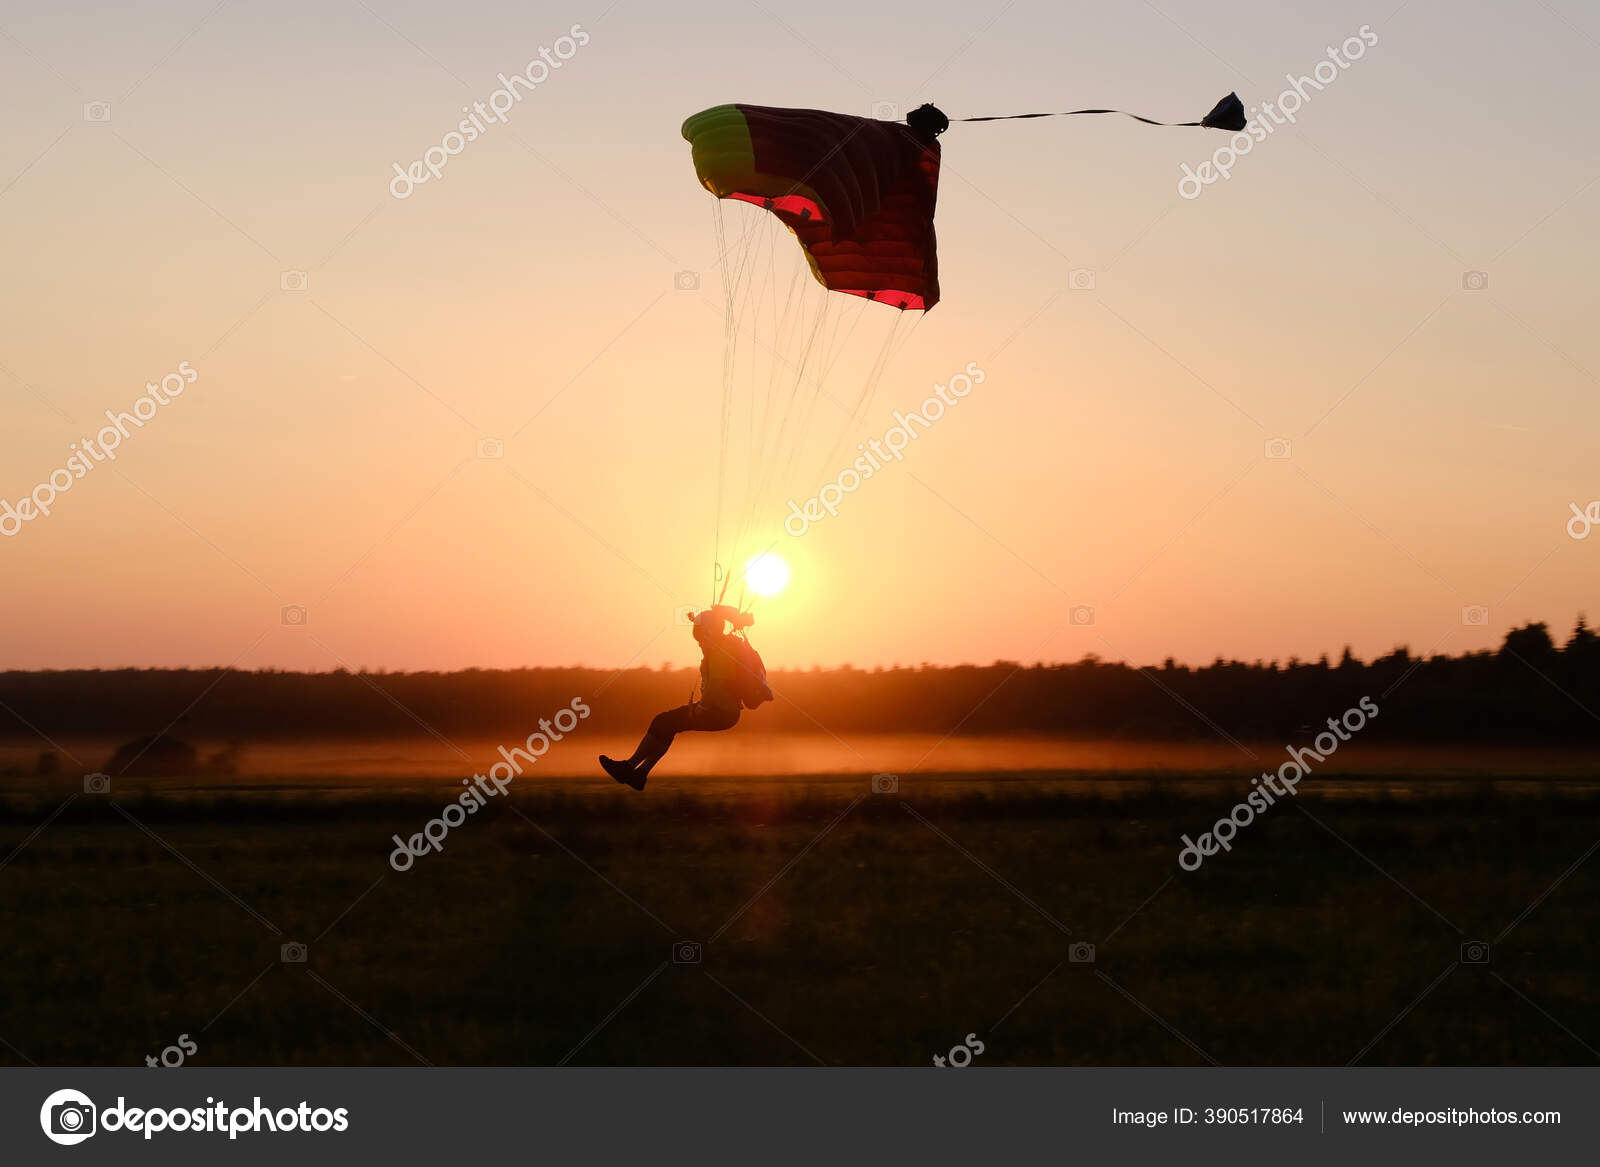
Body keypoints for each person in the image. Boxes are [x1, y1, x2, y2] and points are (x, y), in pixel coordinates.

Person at [601, 605, 766, 790]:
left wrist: (699, 709)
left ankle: (630, 768)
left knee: (663, 721)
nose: (698, 641)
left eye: (700, 635)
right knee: (667, 725)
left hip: (719, 712)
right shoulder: (721, 649)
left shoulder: (721, 652)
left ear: (710, 631)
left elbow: (720, 686)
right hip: (720, 710)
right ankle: (639, 774)